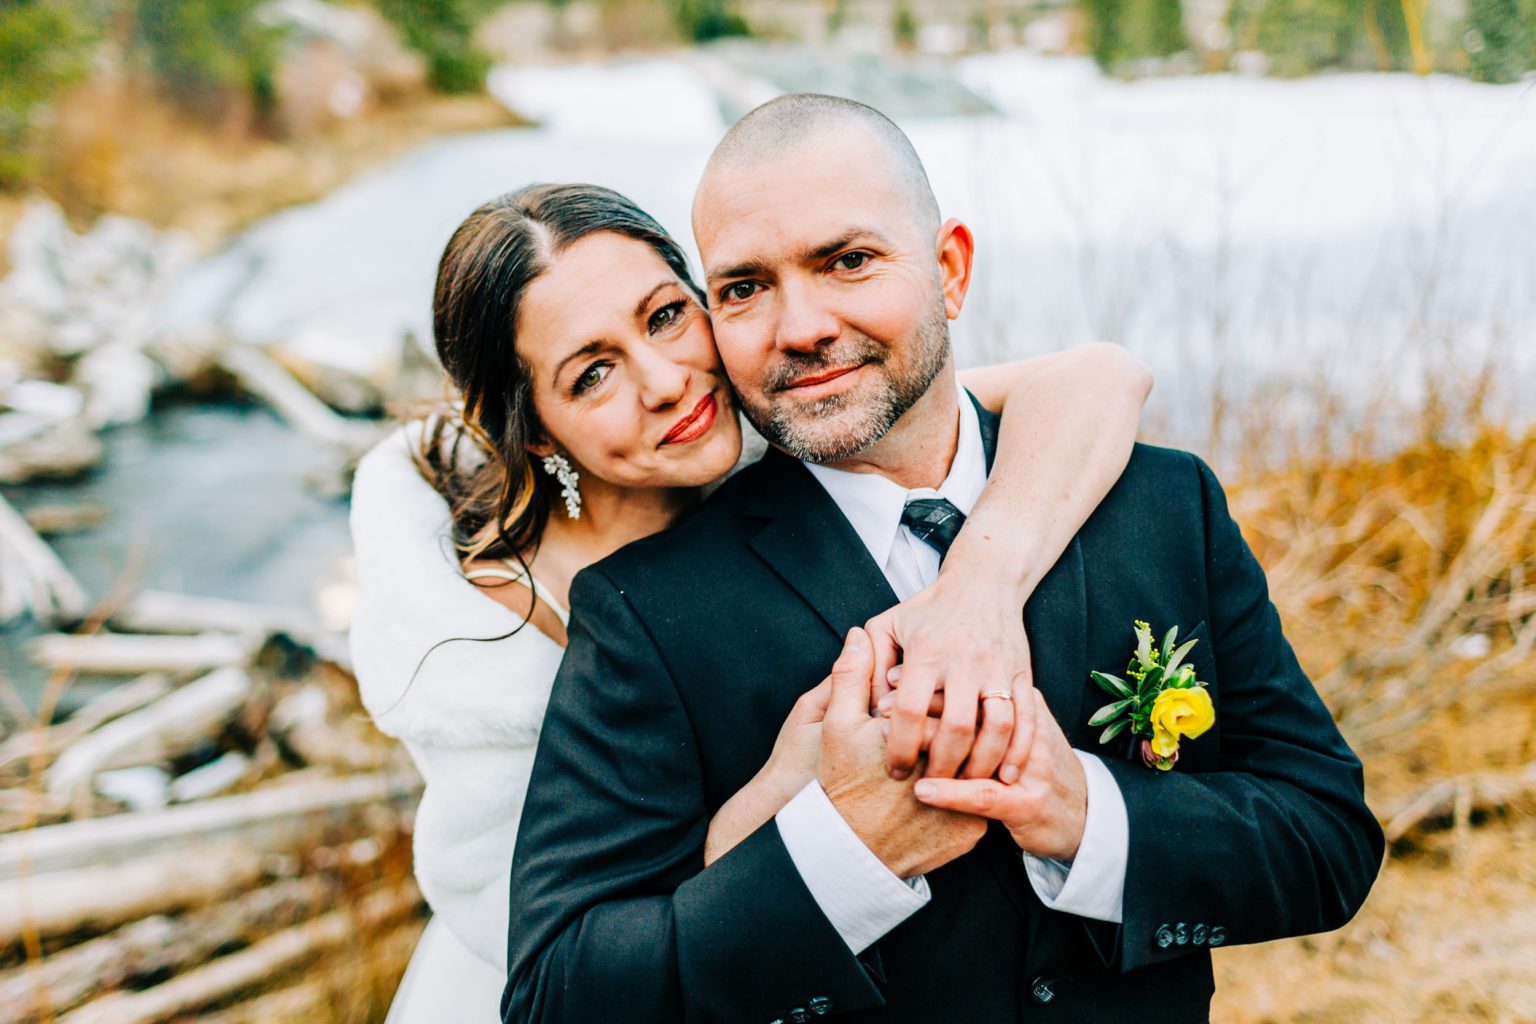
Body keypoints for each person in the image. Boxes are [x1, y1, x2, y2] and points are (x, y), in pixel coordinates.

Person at [504, 94, 1384, 1023]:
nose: (800, 326)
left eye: (847, 261)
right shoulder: (647, 610)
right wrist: (846, 851)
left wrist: (1085, 815)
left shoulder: (1166, 504)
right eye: (746, 288)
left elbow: (1327, 839)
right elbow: (557, 997)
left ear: (950, 271)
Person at [347, 181, 1154, 1020]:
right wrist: (779, 790)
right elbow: (574, 948)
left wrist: (977, 592)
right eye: (592, 374)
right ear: (539, 430)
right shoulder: (480, 648)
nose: (664, 381)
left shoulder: (765, 420)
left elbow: (1098, 376)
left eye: (664, 316)